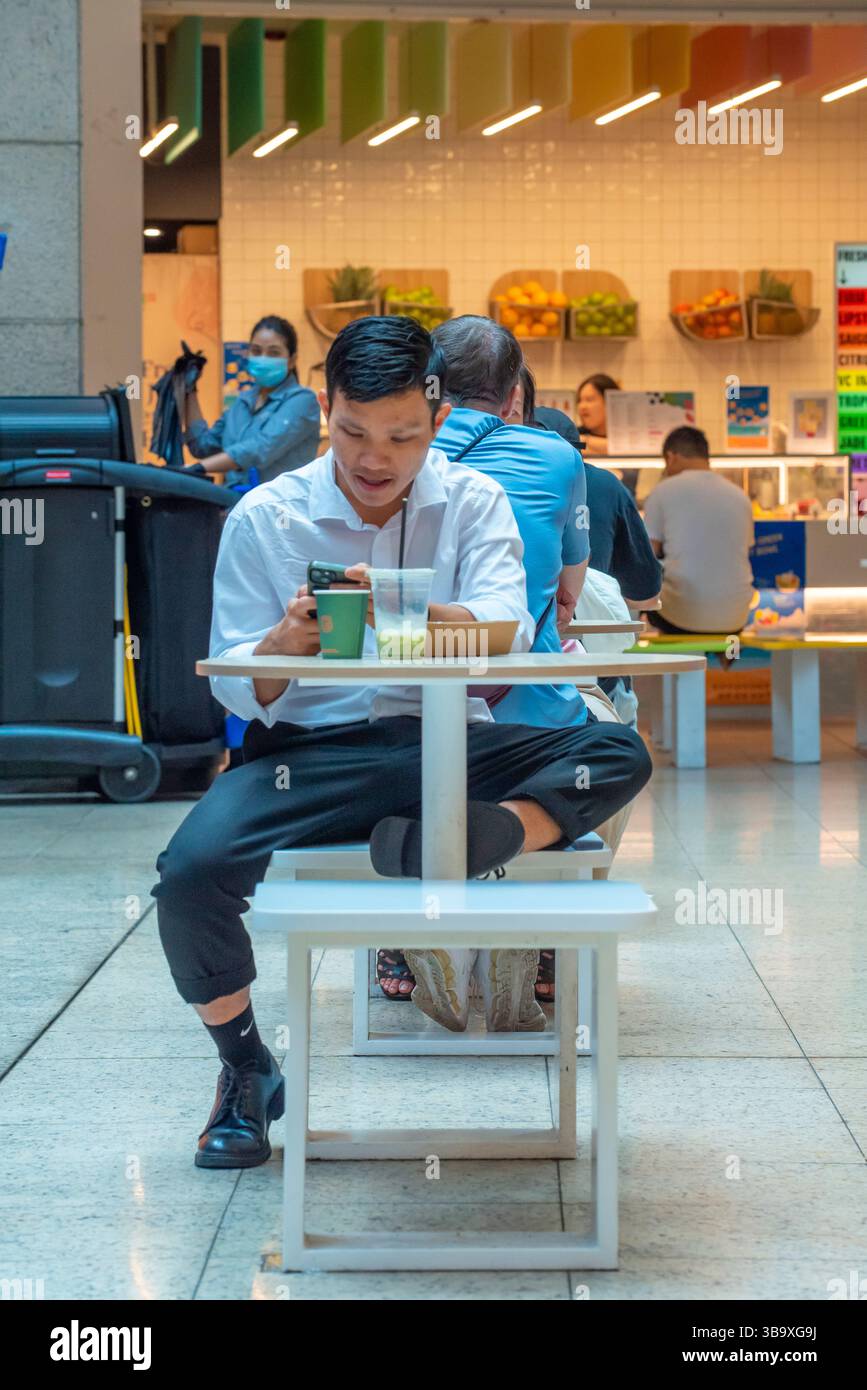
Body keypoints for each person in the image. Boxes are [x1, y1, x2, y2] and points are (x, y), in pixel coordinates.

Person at [151, 315, 652, 1168]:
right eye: (351, 432)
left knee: (617, 752)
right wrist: (280, 646)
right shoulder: (266, 517)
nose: (373, 458)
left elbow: (501, 625)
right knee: (188, 875)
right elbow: (234, 677)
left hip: (450, 746)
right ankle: (244, 1067)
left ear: (434, 412)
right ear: (325, 411)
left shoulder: (471, 500)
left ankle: (490, 834)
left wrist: (403, 613)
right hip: (308, 760)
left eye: (401, 437)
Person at [183, 315, 321, 485]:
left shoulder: (303, 401)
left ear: (291, 361)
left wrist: (197, 468)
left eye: (274, 353)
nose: (263, 358)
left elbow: (260, 448)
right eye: (256, 351)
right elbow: (202, 446)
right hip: (234, 504)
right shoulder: (242, 403)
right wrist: (189, 389)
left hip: (281, 508)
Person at [644, 426, 755, 635]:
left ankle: (675, 665)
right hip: (737, 617)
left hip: (679, 618)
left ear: (671, 457)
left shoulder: (662, 491)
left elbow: (647, 556)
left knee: (646, 601)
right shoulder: (740, 495)